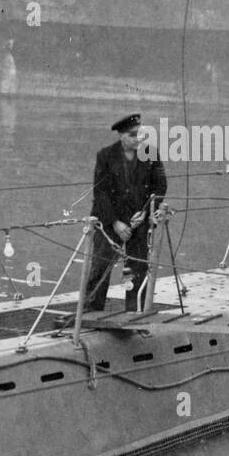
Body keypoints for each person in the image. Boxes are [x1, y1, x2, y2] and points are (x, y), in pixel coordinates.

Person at [83, 113, 167, 312]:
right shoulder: (105, 156)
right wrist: (115, 223)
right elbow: (100, 192)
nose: (138, 138)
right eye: (132, 135)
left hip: (139, 221)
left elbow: (160, 186)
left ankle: (135, 309)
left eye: (140, 134)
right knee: (100, 264)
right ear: (121, 135)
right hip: (109, 222)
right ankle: (92, 308)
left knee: (138, 267)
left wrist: (145, 213)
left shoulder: (151, 154)